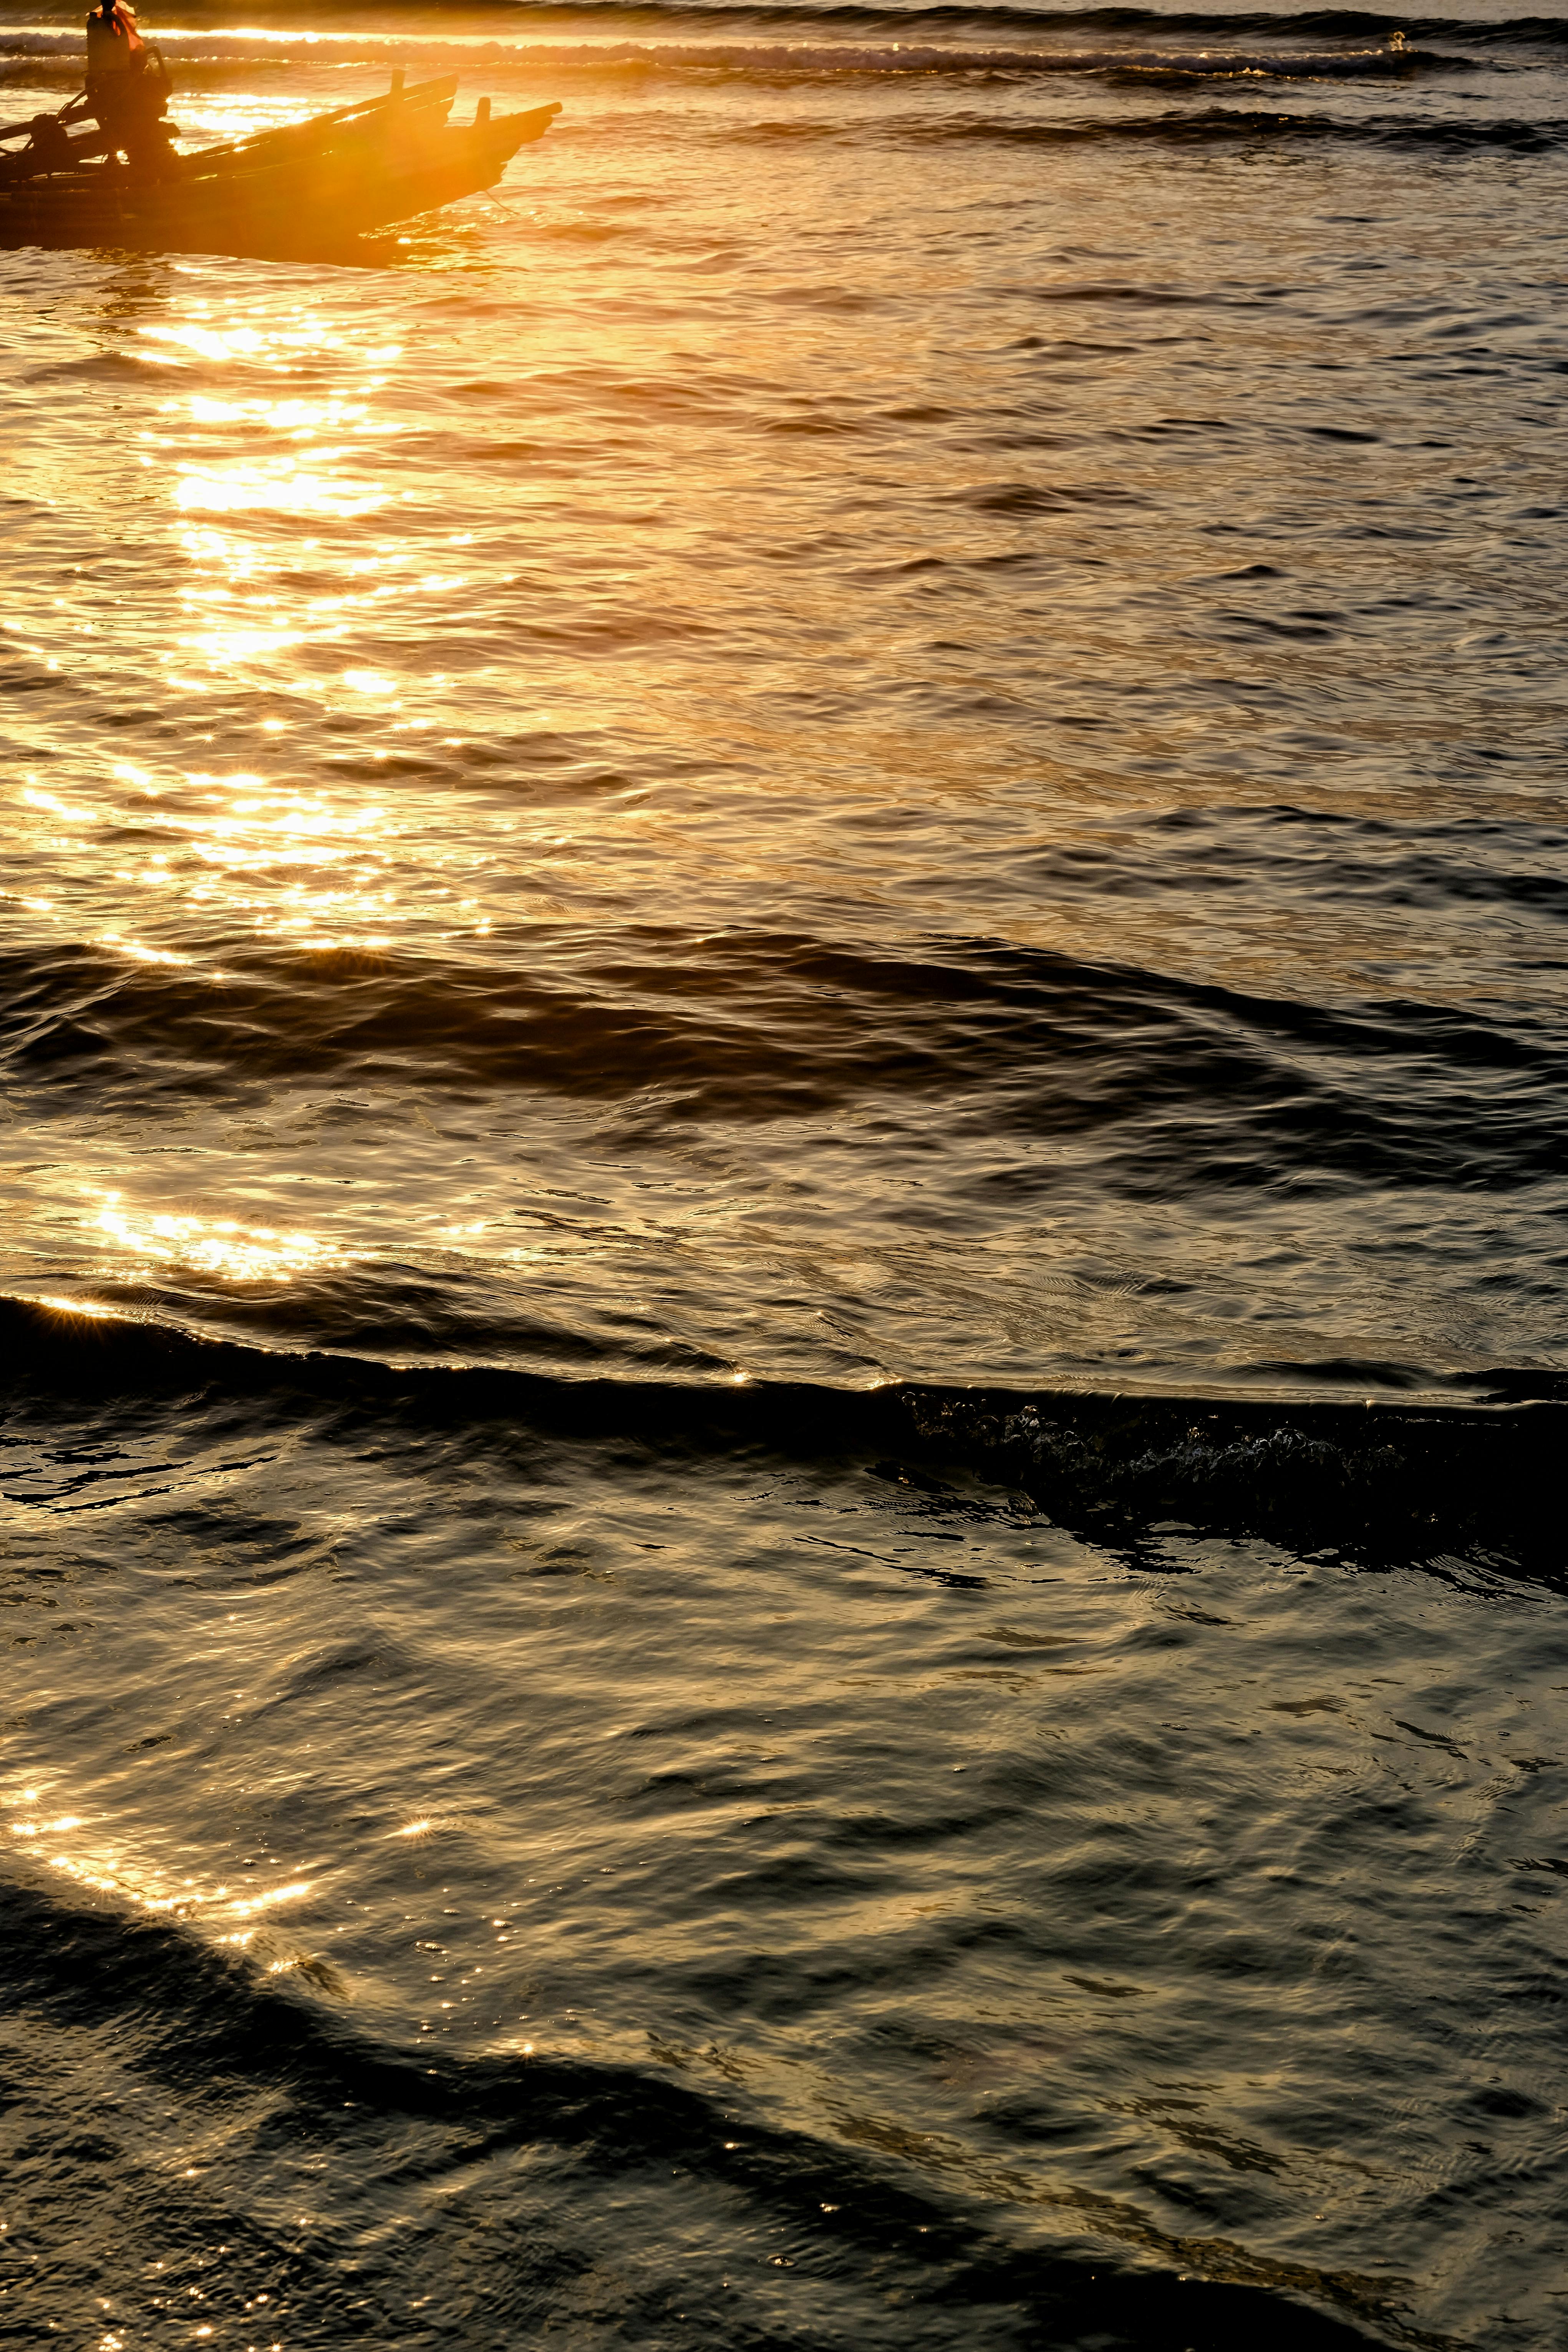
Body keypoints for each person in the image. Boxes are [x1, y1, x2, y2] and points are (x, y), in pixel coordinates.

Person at [85, 0, 176, 175]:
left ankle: (114, 155)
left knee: (108, 112)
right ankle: (117, 157)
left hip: (110, 88)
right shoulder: (109, 22)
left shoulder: (99, 22)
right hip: (119, 89)